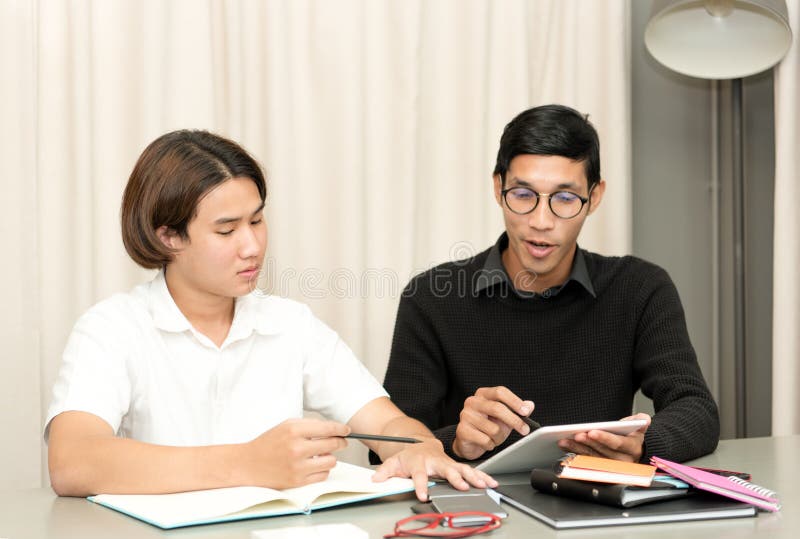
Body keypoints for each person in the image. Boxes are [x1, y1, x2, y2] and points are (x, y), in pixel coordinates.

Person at [45, 130, 495, 502]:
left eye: (257, 221)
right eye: (227, 229)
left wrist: (422, 448)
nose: (252, 246)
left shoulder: (290, 324)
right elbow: (72, 461)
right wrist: (248, 462)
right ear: (168, 237)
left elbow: (384, 422)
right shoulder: (113, 328)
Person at [382, 104, 720, 465]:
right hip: (475, 510)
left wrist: (644, 443)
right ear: (498, 189)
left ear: (595, 197)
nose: (541, 221)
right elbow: (385, 441)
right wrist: (457, 442)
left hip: (599, 508)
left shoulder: (639, 289)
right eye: (524, 195)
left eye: (564, 198)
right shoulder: (430, 297)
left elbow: (696, 408)